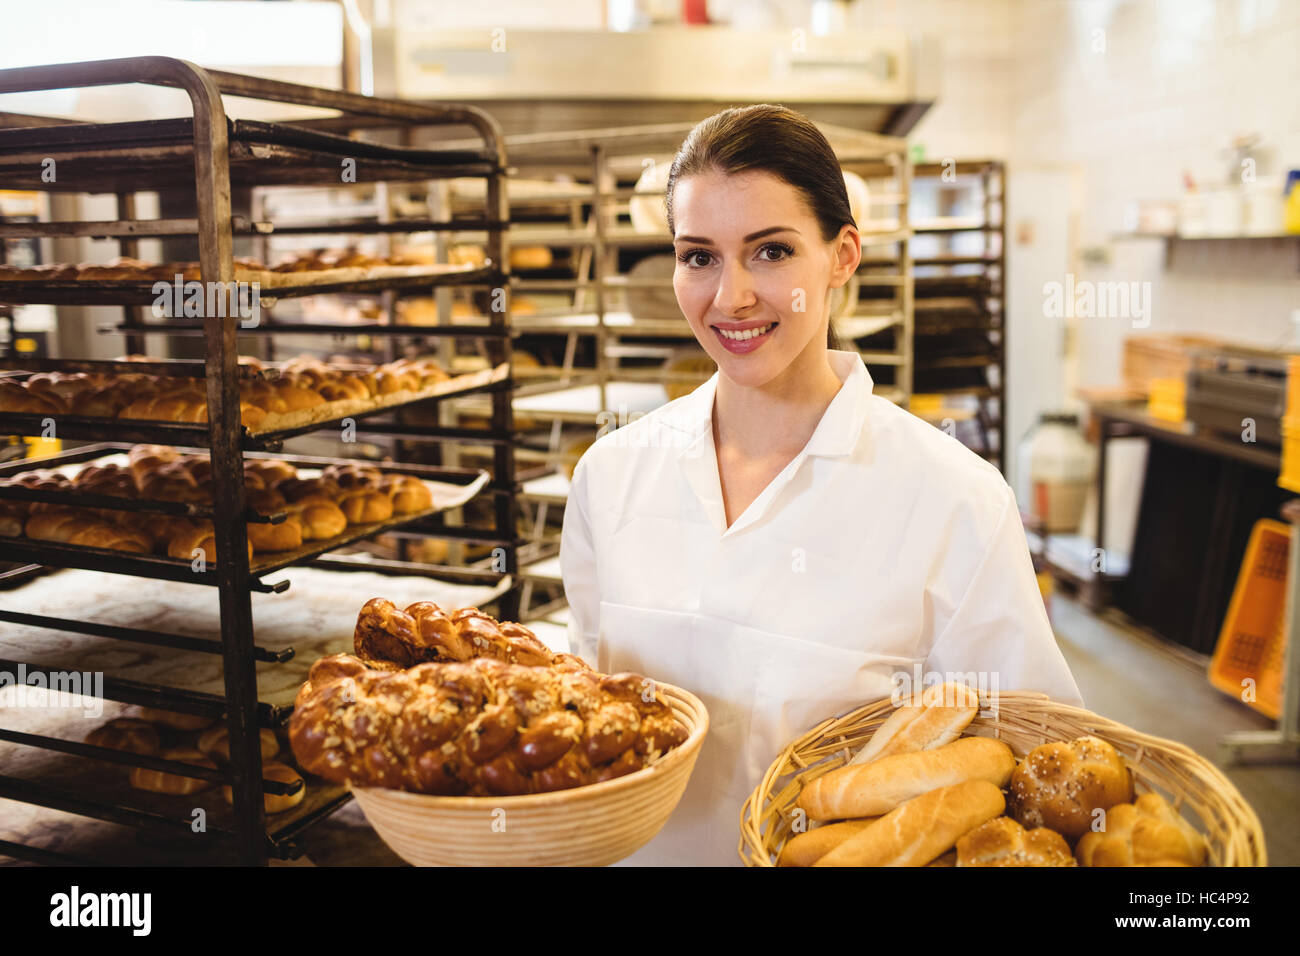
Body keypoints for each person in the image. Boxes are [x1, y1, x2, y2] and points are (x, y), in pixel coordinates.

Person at [559, 104, 1082, 867]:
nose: (730, 297)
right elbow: (584, 723)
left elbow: (1039, 757)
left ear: (842, 256)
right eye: (698, 256)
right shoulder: (610, 478)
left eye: (770, 252)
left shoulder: (954, 501)